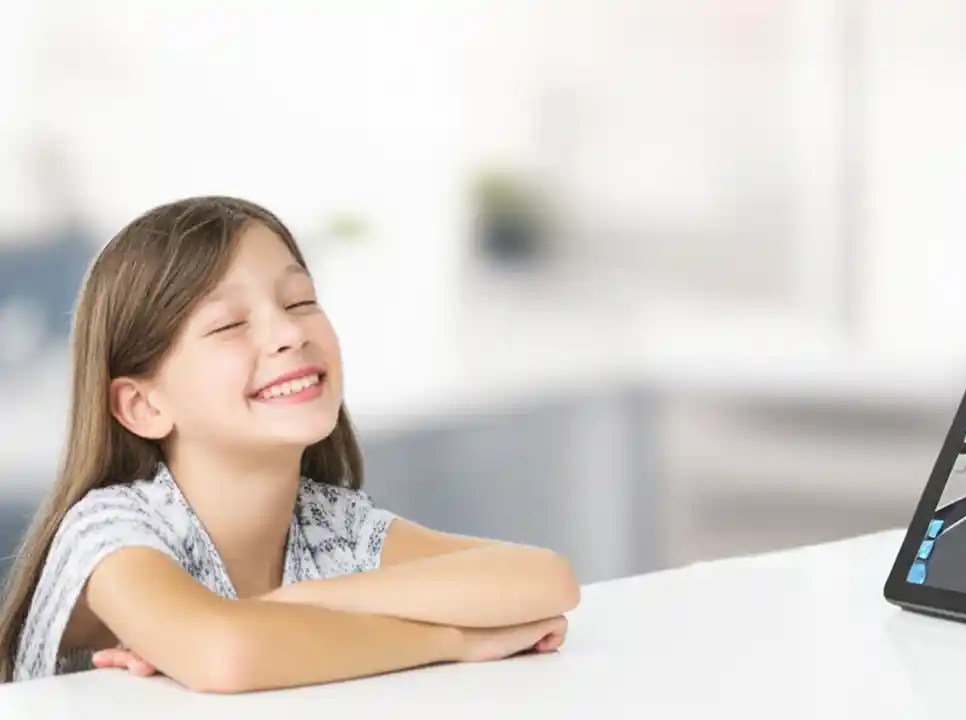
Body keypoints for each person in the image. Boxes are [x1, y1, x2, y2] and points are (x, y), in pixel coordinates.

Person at [0, 197, 580, 691]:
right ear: (143, 406)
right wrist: (452, 638)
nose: (289, 332)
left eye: (300, 302)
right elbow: (227, 653)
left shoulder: (330, 526)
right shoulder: (108, 530)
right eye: (229, 324)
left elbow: (543, 581)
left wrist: (292, 607)